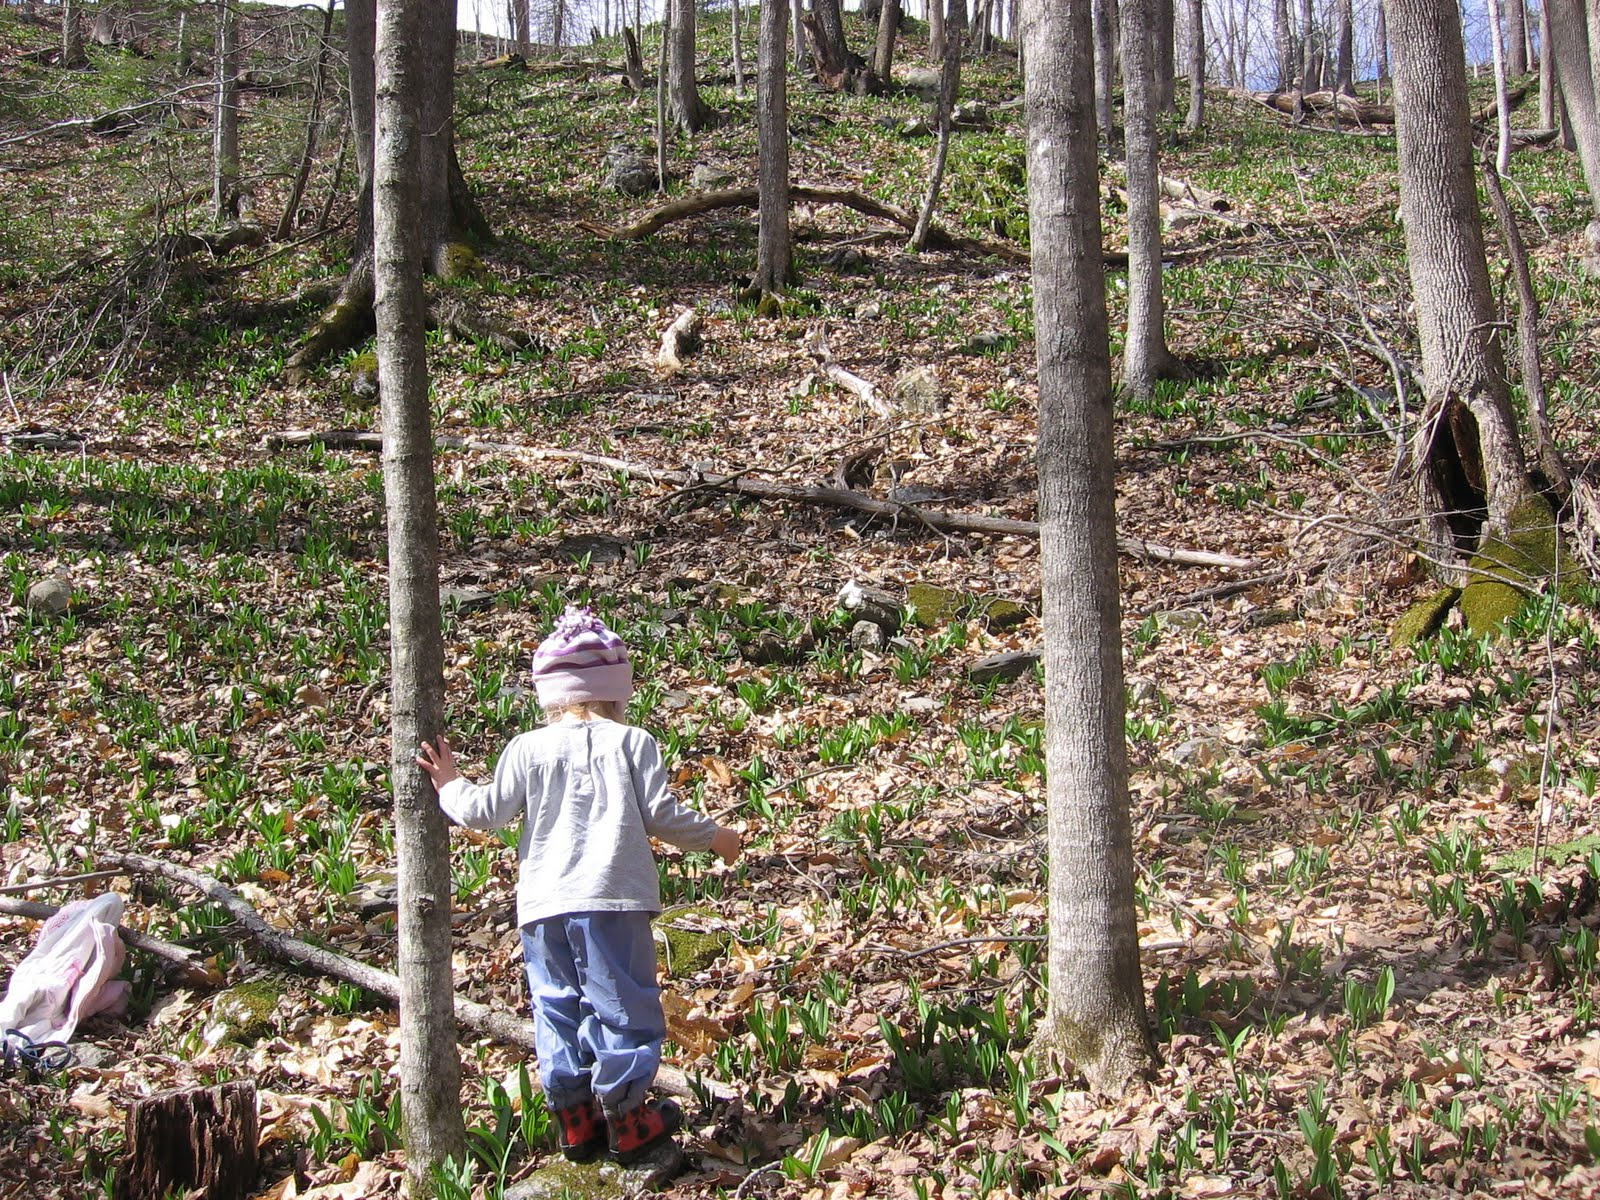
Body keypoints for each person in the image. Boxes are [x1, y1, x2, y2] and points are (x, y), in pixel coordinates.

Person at [415, 605, 742, 1165]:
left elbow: (484, 811)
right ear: (616, 691)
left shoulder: (526, 748)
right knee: (623, 1004)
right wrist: (716, 836)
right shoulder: (632, 742)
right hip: (612, 898)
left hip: (542, 907)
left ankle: (573, 1117)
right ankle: (627, 1115)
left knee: (557, 1005)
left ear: (551, 695)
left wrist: (448, 784)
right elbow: (660, 815)